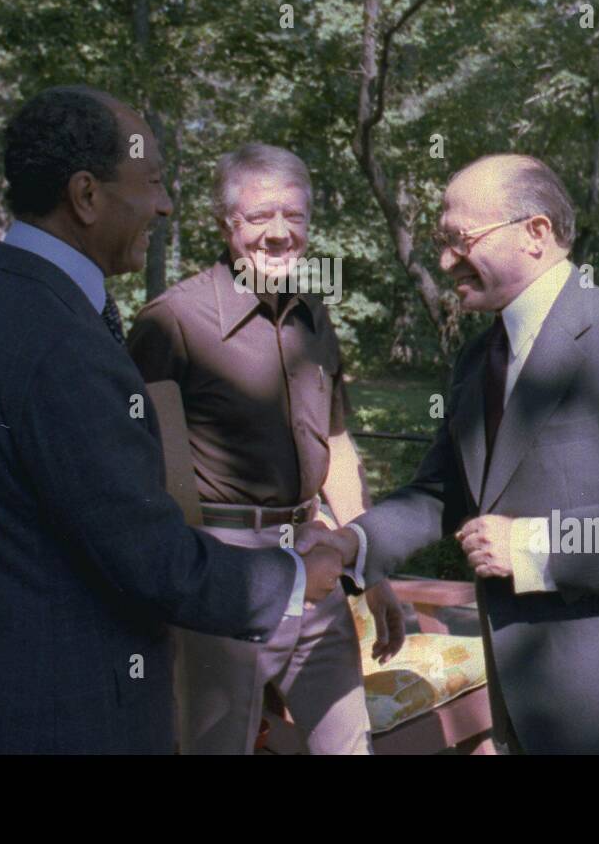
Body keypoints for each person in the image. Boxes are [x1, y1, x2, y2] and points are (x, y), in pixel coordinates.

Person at [0, 86, 342, 755]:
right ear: (87, 196)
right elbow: (148, 558)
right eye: (153, 182)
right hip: (76, 713)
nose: (164, 204)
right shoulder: (64, 341)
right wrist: (298, 576)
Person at [297, 153, 599, 754]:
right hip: (530, 705)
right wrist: (352, 545)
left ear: (535, 233)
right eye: (441, 242)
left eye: (459, 240)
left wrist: (538, 545)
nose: (444, 260)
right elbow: (443, 491)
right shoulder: (478, 359)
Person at [127, 143, 403, 755]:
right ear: (227, 225)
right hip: (222, 573)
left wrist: (371, 569)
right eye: (259, 218)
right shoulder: (171, 323)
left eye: (296, 216)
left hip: (317, 557)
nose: (280, 235)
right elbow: (133, 470)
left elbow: (335, 442)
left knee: (349, 746)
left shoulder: (315, 317)